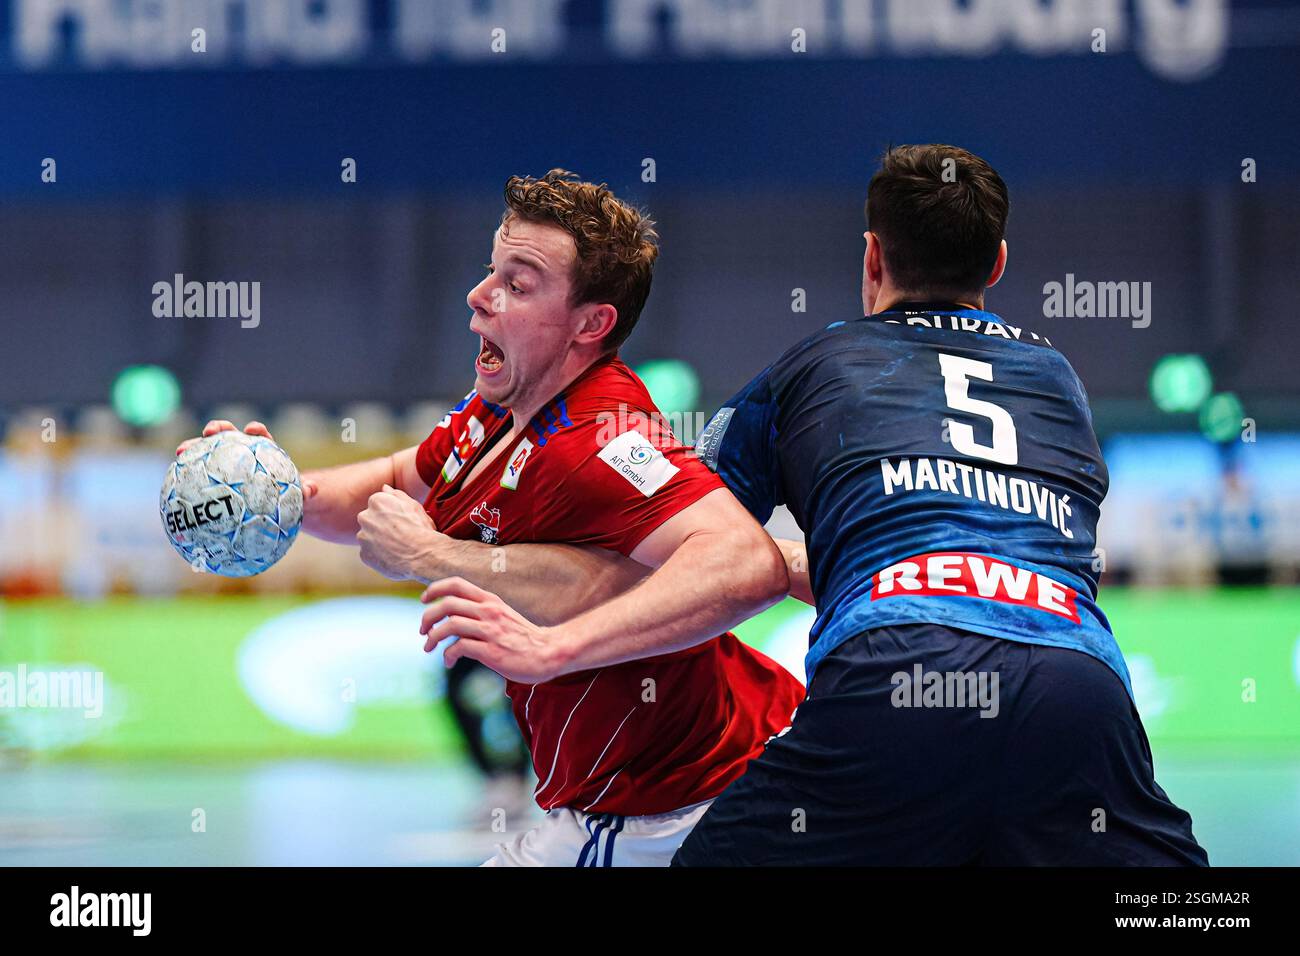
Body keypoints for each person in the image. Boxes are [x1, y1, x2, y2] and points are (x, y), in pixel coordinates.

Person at [425, 146, 1209, 866]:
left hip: (894, 670)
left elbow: (680, 551)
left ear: (870, 256)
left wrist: (491, 584)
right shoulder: (1056, 377)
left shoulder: (816, 366)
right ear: (998, 264)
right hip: (1077, 682)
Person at [180, 169, 803, 867]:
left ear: (591, 324)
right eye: (490, 270)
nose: (479, 297)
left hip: (689, 807)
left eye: (519, 281)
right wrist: (275, 494)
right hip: (629, 803)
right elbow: (397, 480)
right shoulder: (498, 412)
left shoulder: (606, 437)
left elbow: (749, 564)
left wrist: (446, 567)